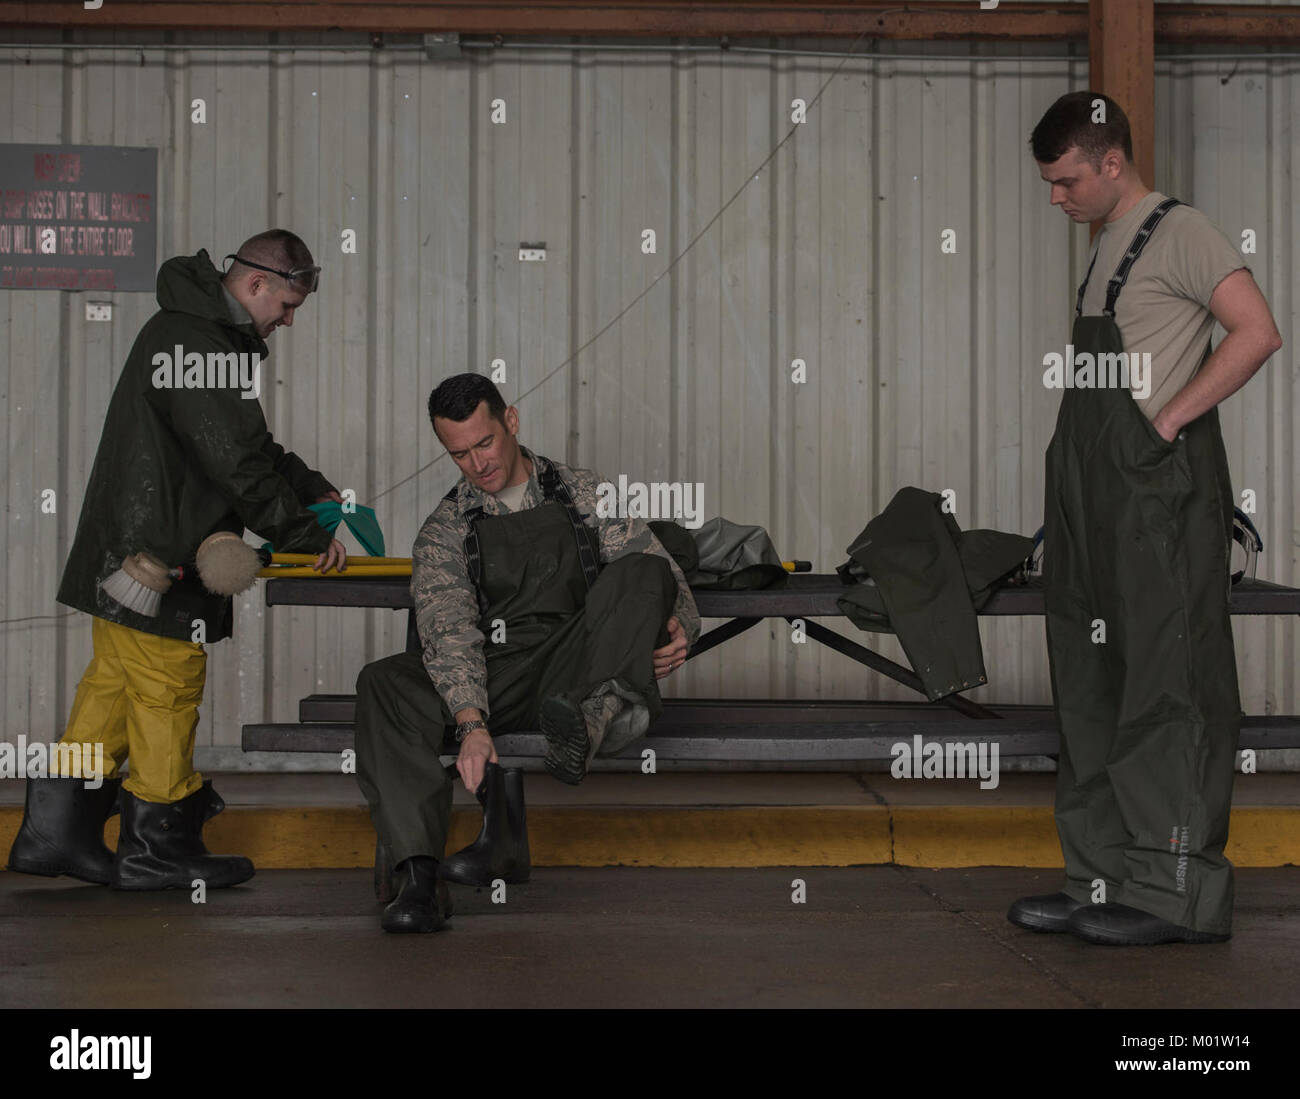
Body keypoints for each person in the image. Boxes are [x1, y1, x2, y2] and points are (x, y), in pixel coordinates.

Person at [1009, 93, 1282, 945]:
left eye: (1066, 181)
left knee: (1168, 688)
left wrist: (1169, 421)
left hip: (1157, 502)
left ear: (1113, 163)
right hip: (1094, 502)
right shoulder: (1103, 249)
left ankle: (1173, 895)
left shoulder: (1183, 232)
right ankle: (1098, 879)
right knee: (1092, 687)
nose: (1057, 197)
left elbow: (1258, 331)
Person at [7, 230, 348, 891]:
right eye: (287, 304)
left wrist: (306, 483)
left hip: (126, 556)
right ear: (256, 285)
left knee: (112, 689)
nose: (288, 320)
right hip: (156, 563)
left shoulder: (193, 333)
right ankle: (159, 849)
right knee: (167, 685)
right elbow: (236, 461)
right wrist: (304, 534)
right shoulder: (197, 340)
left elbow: (244, 443)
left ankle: (58, 831)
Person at [355, 374, 701, 933]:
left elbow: (662, 574)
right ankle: (418, 879)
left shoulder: (584, 493)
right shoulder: (445, 531)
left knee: (645, 570)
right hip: (498, 675)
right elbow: (448, 632)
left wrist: (678, 628)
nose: (477, 464)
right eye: (459, 454)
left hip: (577, 661)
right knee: (383, 682)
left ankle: (592, 715)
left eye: (484, 443)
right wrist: (471, 722)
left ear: (510, 421)